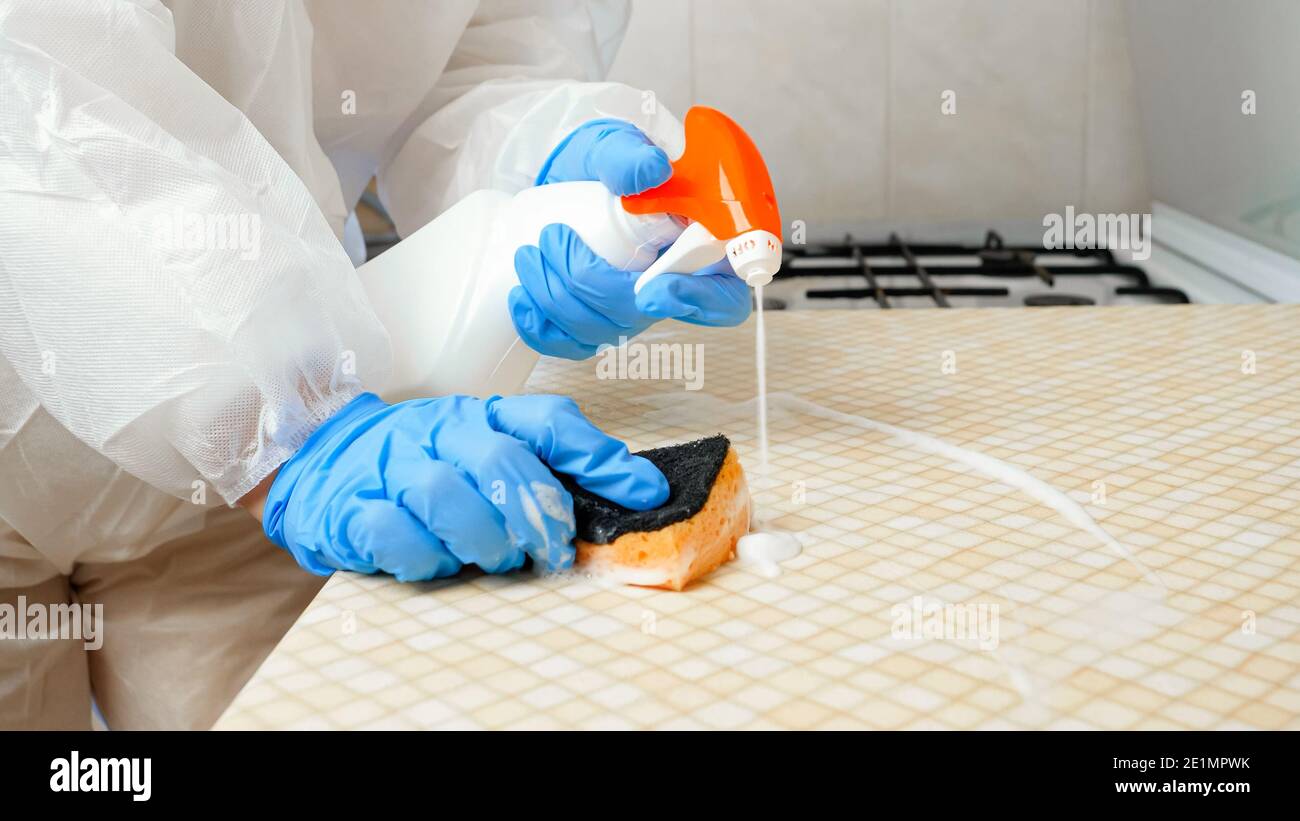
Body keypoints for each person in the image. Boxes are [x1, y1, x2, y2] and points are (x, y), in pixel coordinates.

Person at [0, 0, 750, 729]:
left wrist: (555, 165)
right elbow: (32, 91)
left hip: (237, 494)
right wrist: (288, 424)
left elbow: (462, 56)